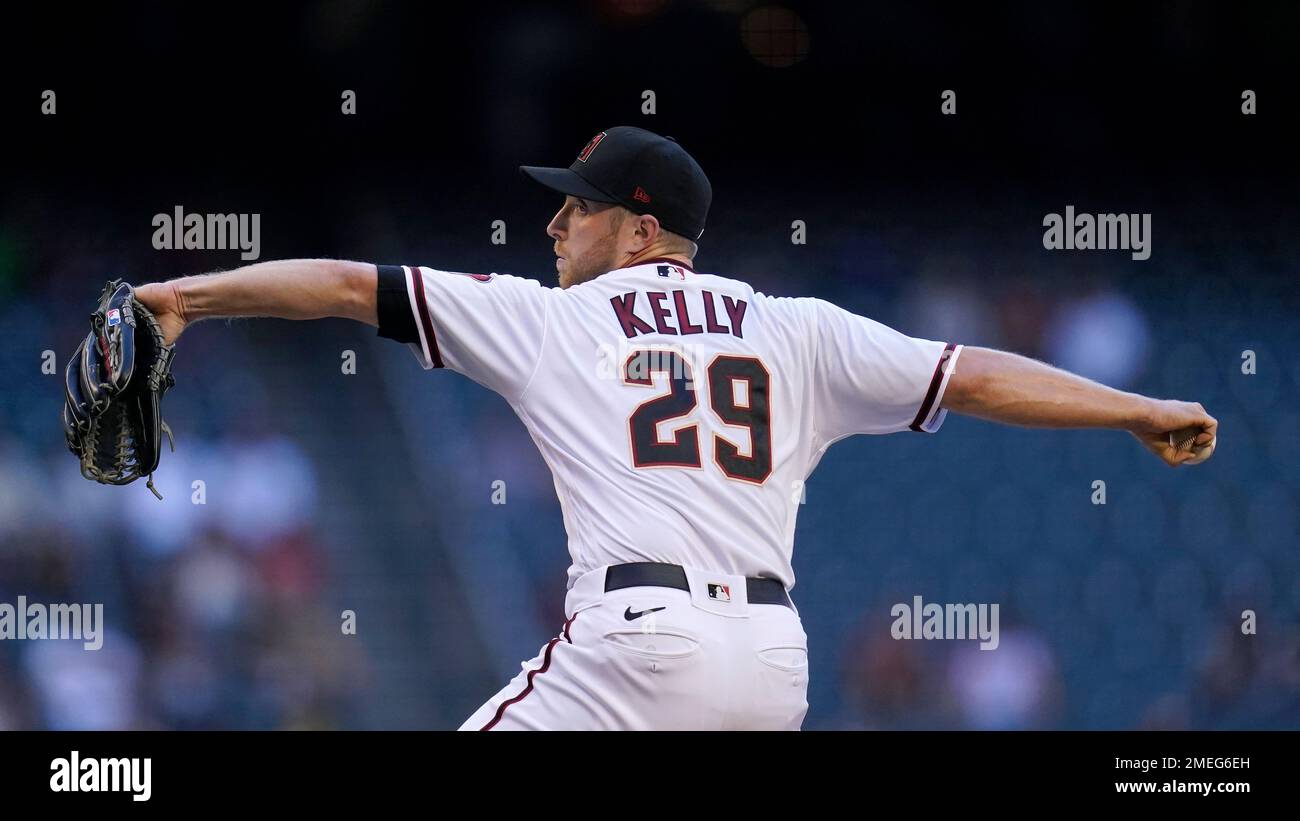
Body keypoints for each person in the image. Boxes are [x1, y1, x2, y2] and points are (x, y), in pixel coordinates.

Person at [134, 126, 1217, 730]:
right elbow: (970, 373)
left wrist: (185, 298)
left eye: (580, 203)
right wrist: (1134, 406)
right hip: (771, 670)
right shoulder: (795, 327)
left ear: (641, 224)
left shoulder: (549, 317)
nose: (555, 220)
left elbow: (333, 283)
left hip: (638, 645)